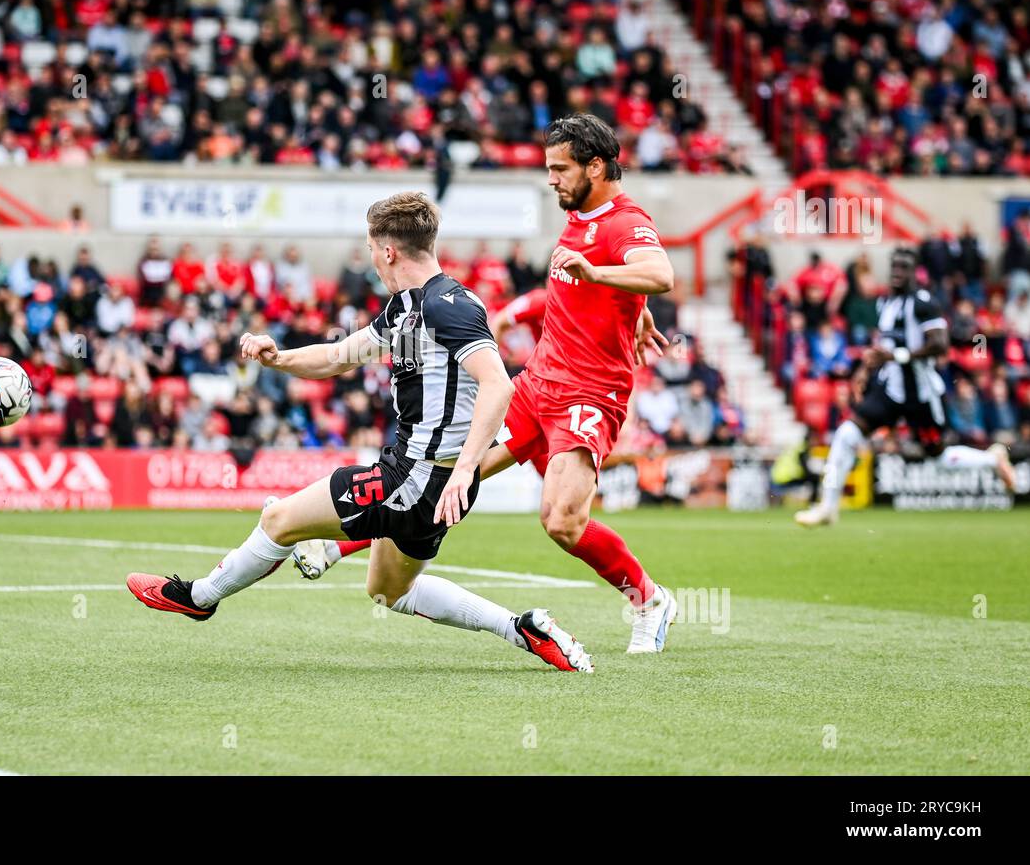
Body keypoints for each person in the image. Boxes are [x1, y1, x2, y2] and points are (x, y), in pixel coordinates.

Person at [126, 191, 594, 673]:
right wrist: (279, 356)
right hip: (424, 480)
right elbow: (337, 357)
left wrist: (465, 469)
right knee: (389, 591)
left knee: (278, 521)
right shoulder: (406, 307)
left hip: (420, 478)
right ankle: (523, 628)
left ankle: (200, 597)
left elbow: (498, 386)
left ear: (388, 251)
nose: (371, 257)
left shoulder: (445, 305)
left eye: (372, 247)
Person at [292, 115, 677, 655]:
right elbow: (597, 293)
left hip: (588, 396)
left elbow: (660, 274)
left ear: (596, 166)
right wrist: (630, 312)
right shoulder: (578, 218)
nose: (551, 180)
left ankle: (650, 599)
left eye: (559, 169)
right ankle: (342, 545)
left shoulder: (624, 221)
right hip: (538, 384)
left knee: (562, 521)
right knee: (447, 470)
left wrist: (600, 275)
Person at [796, 246, 1017, 527]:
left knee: (936, 457)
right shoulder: (886, 304)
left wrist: (896, 356)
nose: (897, 272)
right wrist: (866, 369)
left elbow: (940, 345)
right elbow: (884, 344)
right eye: (894, 266)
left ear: (915, 272)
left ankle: (992, 459)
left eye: (903, 267)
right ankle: (827, 507)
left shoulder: (924, 303)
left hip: (922, 395)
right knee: (846, 434)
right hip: (891, 391)